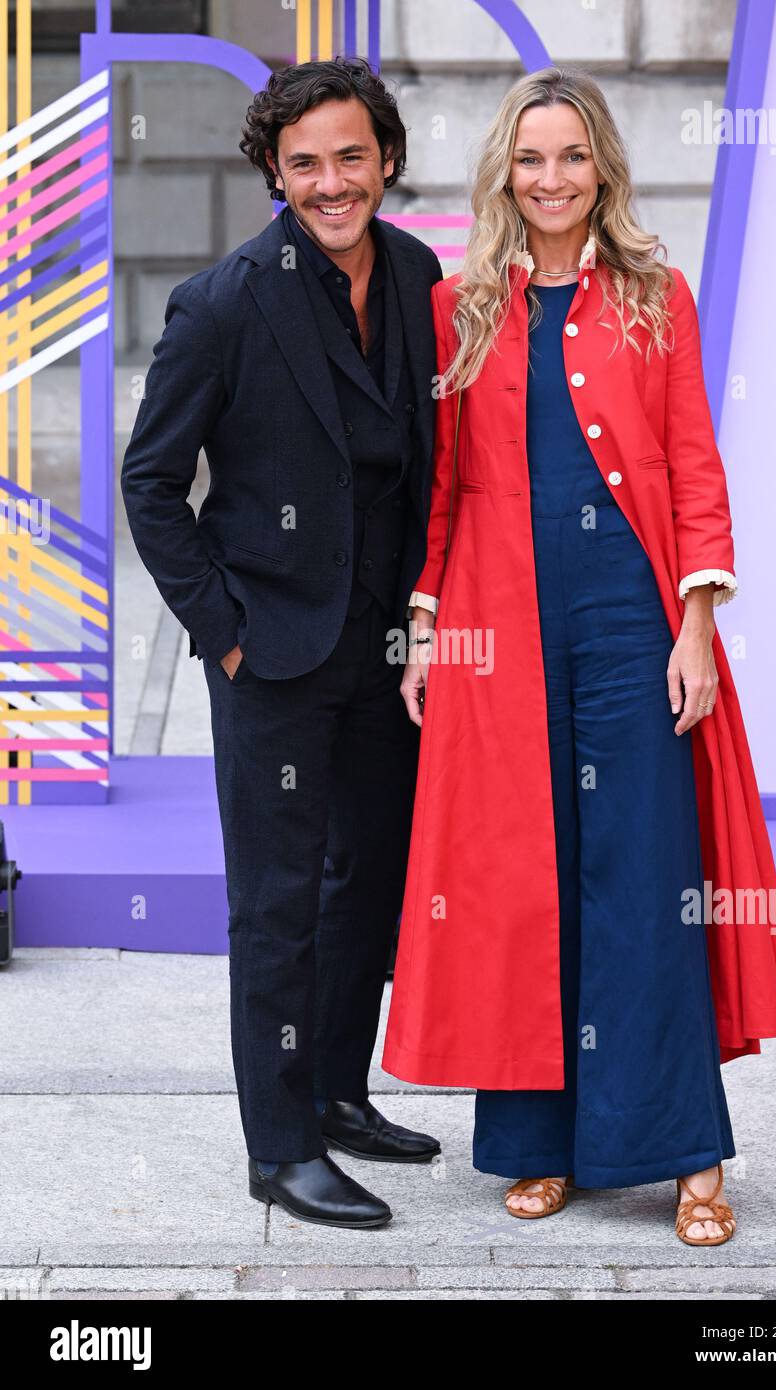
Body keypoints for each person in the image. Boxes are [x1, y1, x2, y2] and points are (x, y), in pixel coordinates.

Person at [383, 66, 776, 1244]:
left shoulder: (653, 295)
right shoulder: (460, 305)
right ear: (503, 175)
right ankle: (540, 1143)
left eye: (572, 157)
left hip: (629, 626)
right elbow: (447, 489)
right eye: (531, 158)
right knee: (525, 884)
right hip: (500, 634)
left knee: (644, 882)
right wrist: (426, 624)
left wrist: (696, 626)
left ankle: (682, 1151)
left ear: (603, 167)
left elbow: (690, 464)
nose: (552, 178)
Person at [121, 58, 443, 1230]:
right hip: (273, 650)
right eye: (303, 162)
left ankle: (339, 1094)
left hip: (382, 652)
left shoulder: (415, 273)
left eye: (349, 156)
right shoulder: (221, 301)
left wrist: (422, 614)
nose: (330, 181)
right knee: (277, 902)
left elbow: (425, 467)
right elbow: (151, 484)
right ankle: (282, 1146)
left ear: (387, 161)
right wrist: (227, 634)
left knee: (368, 884)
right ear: (273, 172)